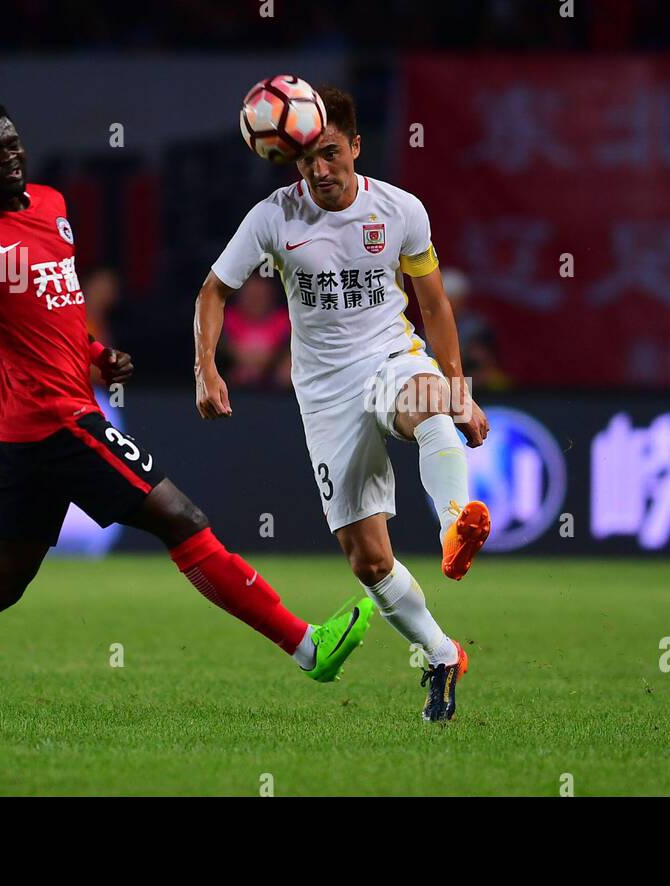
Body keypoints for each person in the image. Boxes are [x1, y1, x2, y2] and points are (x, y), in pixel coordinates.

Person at [0, 98, 372, 738]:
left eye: (12, 142)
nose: (9, 155)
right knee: (180, 519)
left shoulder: (51, 205)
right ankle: (308, 647)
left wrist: (94, 353)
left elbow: (50, 311)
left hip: (28, 429)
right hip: (58, 421)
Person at [194, 86, 491, 722]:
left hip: (389, 355)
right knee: (369, 559)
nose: (320, 171)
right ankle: (442, 655)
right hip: (325, 394)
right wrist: (206, 369)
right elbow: (213, 292)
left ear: (356, 146)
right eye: (306, 161)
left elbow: (433, 305)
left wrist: (459, 388)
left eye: (331, 154)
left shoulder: (402, 210)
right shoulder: (275, 217)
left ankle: (454, 522)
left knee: (429, 404)